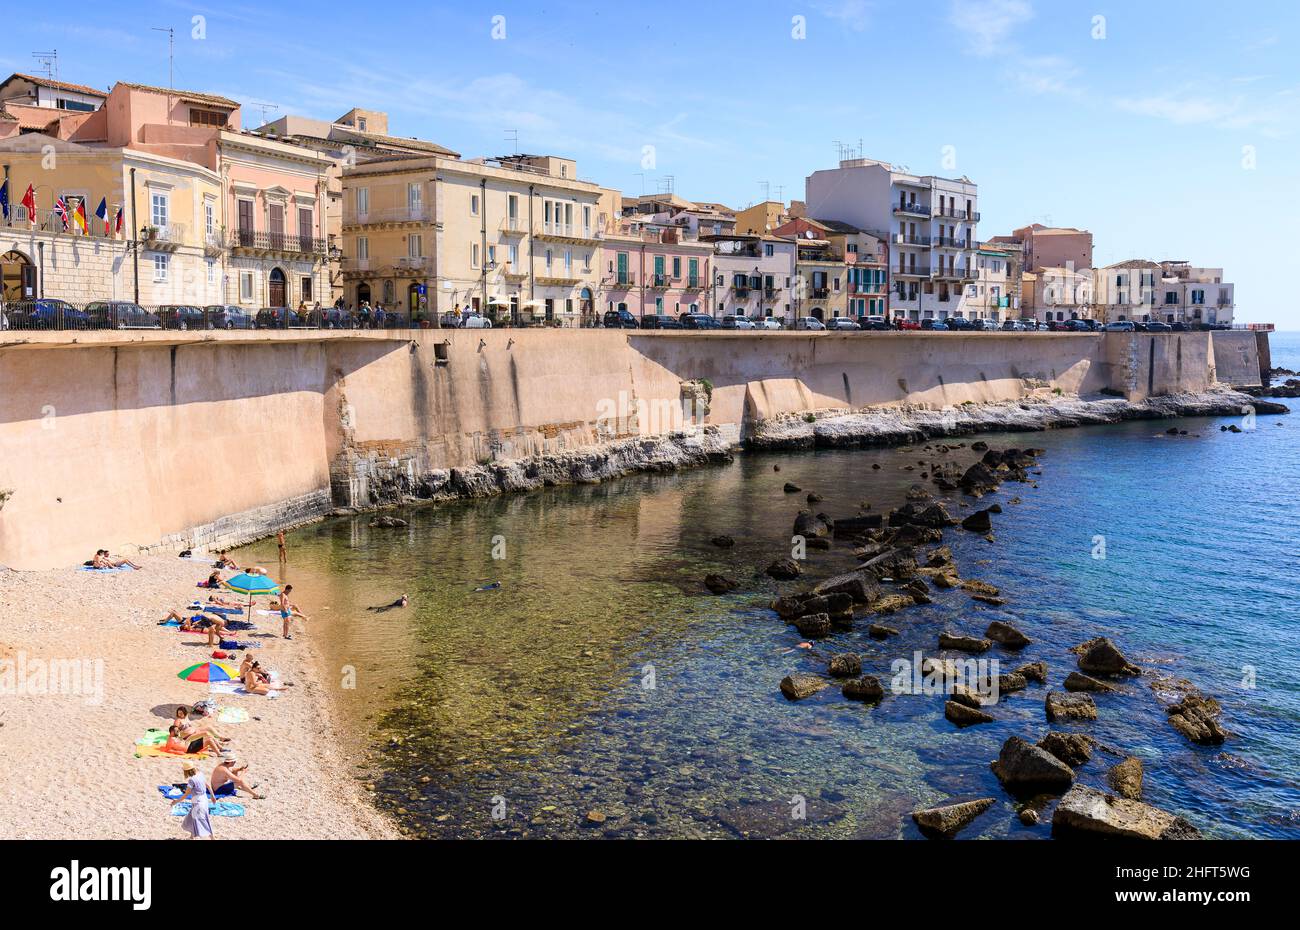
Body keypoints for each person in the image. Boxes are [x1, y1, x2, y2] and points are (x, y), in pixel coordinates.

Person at [176, 761, 215, 839]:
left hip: (198, 802)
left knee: (201, 821)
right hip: (204, 799)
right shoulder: (201, 774)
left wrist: (176, 801)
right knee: (191, 818)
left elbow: (186, 794)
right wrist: (212, 796)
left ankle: (212, 838)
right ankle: (192, 836)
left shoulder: (191, 780)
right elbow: (208, 786)